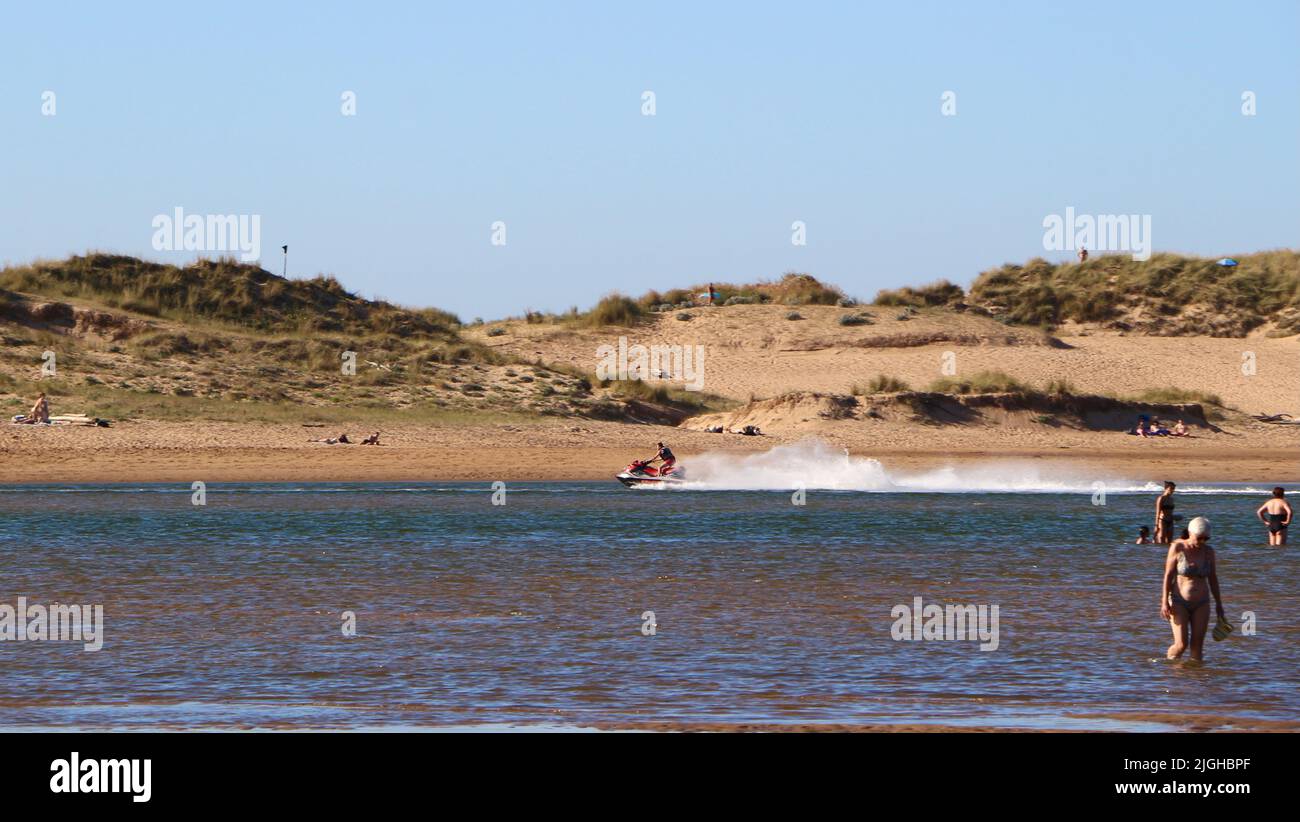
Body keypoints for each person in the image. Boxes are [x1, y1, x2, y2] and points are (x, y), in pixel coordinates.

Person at [1160, 517, 1226, 661]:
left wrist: (1219, 604)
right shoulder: (1178, 548)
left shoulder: (1209, 552)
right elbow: (1168, 575)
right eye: (1199, 538)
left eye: (1206, 539)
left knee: (1197, 648)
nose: (1202, 542)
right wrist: (1164, 601)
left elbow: (1213, 578)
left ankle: (1196, 679)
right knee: (1181, 645)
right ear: (1190, 533)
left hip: (1202, 603)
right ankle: (1170, 670)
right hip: (1179, 601)